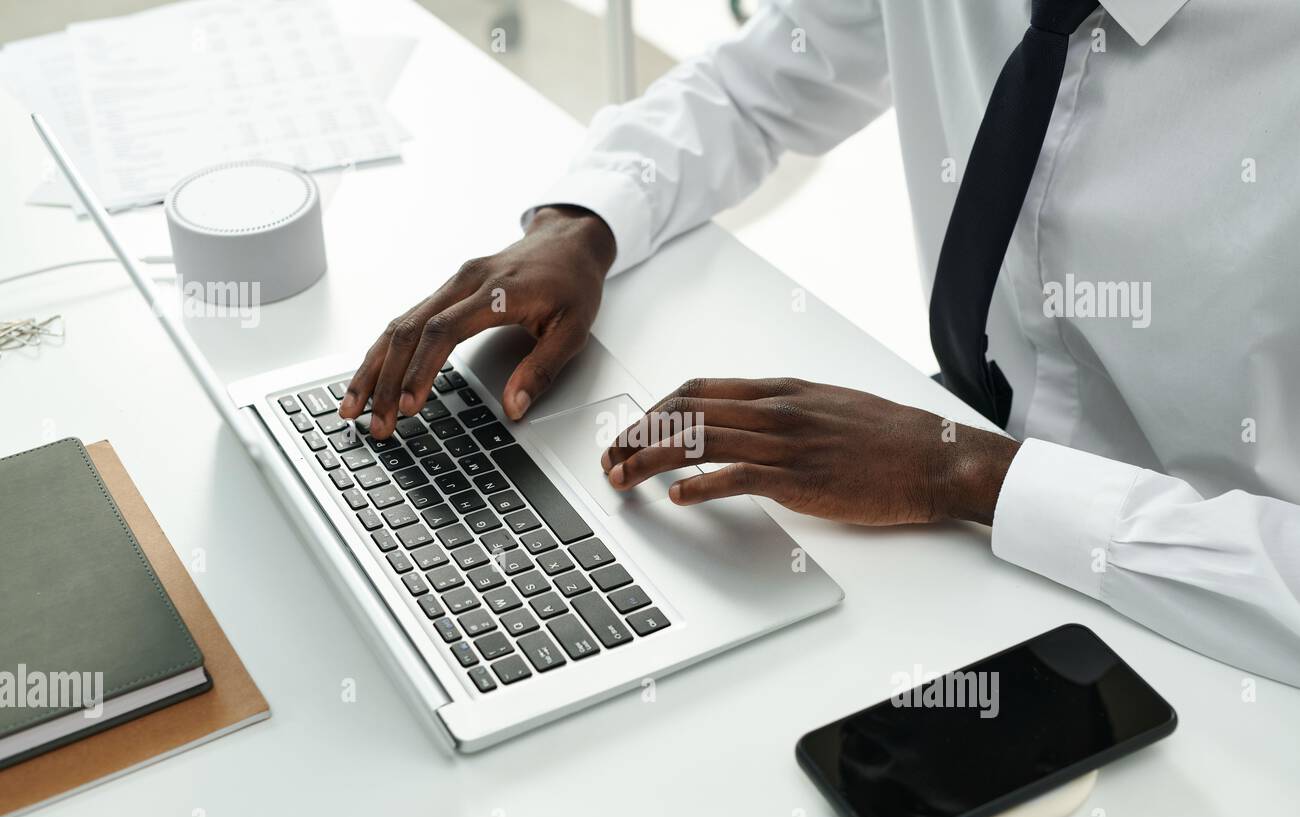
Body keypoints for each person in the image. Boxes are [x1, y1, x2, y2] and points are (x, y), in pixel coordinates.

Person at [339, 0, 1300, 687]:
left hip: (1215, 610)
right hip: (967, 524)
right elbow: (762, 79)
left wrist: (967, 475)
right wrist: (584, 222)